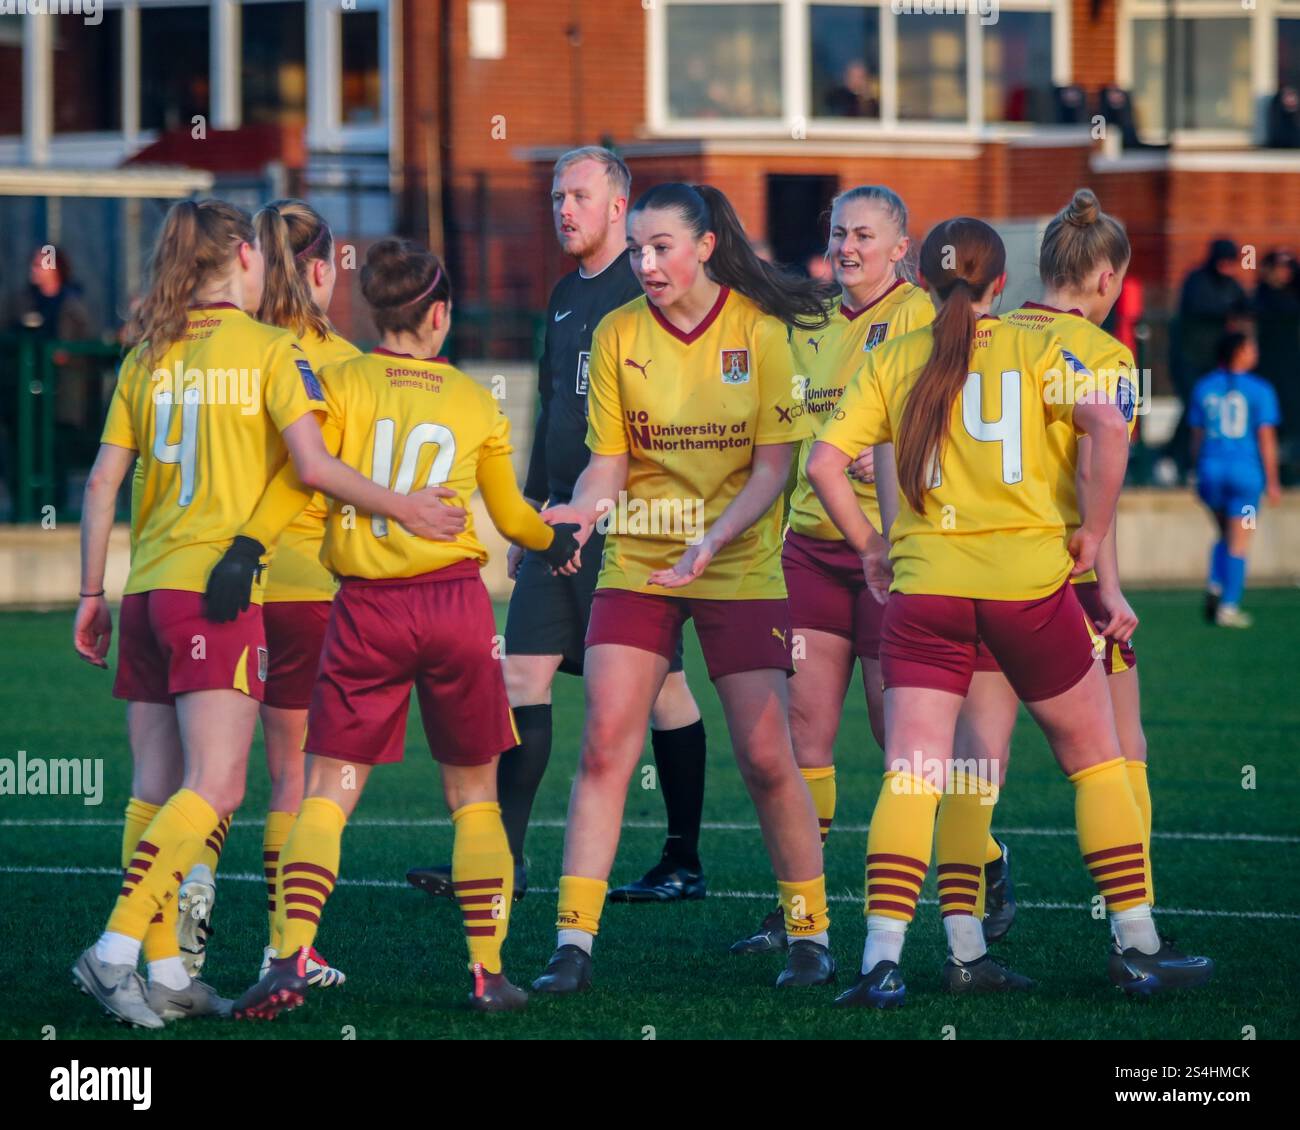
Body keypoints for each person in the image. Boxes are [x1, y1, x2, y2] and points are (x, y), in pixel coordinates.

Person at [71, 200, 464, 1029]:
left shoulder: (150, 351)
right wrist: (407, 508)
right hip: (225, 591)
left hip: (146, 588)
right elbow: (314, 468)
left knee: (158, 787)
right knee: (225, 784)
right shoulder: (276, 351)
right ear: (245, 257)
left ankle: (171, 967)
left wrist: (90, 594)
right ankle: (116, 953)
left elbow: (103, 481)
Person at [807, 215, 1213, 1006]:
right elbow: (1104, 424)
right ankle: (1138, 946)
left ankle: (886, 962)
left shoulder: (893, 355)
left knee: (921, 771)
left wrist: (869, 546)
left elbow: (826, 463)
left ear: (922, 283)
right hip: (1028, 589)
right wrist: (1092, 535)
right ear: (1002, 284)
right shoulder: (1042, 347)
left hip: (928, 591)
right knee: (1097, 760)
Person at [231, 240, 580, 1018]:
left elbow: (299, 479)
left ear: (376, 312)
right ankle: (489, 975)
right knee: (474, 799)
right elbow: (514, 517)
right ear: (440, 313)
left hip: (366, 609)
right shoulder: (474, 399)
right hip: (455, 608)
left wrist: (248, 547)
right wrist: (555, 540)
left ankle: (288, 961)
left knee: (325, 793)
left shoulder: (341, 381)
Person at [531, 182, 836, 993]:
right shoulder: (616, 331)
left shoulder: (761, 334)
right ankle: (573, 945)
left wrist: (713, 539)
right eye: (637, 249)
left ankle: (809, 934)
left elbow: (776, 468)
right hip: (639, 562)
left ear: (704, 247)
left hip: (735, 564)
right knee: (603, 744)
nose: (646, 262)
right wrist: (586, 513)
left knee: (769, 756)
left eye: (661, 246)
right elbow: (610, 463)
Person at [405, 147, 711, 906]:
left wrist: (613, 508)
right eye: (555, 196)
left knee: (664, 689)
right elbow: (554, 409)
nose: (563, 209)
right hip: (555, 522)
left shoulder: (646, 292)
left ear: (619, 206)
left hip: (630, 522)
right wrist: (536, 508)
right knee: (520, 674)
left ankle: (682, 856)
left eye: (578, 194)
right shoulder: (565, 295)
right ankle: (501, 860)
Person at [730, 185, 936, 957]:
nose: (848, 247)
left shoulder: (924, 316)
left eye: (865, 235)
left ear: (899, 248)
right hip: (812, 549)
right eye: (840, 232)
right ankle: (800, 910)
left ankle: (975, 865)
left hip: (898, 555)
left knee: (899, 735)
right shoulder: (808, 319)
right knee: (803, 734)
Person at [940, 188, 1147, 948]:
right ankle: (1137, 938)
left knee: (975, 762)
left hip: (978, 567)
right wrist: (1108, 580)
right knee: (1117, 753)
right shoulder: (1105, 356)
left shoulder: (983, 334)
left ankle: (964, 944)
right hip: (1068, 572)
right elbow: (1104, 477)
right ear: (1105, 280)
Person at [172, 200, 356, 990]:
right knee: (294, 777)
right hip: (309, 584)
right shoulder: (340, 361)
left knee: (209, 773)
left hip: (218, 583)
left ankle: (184, 928)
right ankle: (287, 951)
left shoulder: (215, 346)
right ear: (320, 270)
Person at [1189, 331, 1283, 629]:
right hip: (1246, 478)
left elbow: (1196, 436)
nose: (1255, 352)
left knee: (1223, 534)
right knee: (1241, 541)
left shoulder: (1203, 387)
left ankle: (1216, 583)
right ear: (1240, 352)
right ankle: (1228, 606)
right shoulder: (1260, 389)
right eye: (1251, 347)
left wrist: (1196, 470)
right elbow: (1266, 437)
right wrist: (1273, 480)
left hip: (1210, 472)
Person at [1170, 240, 1250, 474]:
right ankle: (1176, 457)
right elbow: (1198, 307)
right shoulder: (1197, 281)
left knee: (1205, 408)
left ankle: (1185, 458)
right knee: (1193, 405)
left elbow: (1245, 305)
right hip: (1189, 358)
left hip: (1215, 361)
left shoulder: (1231, 285)